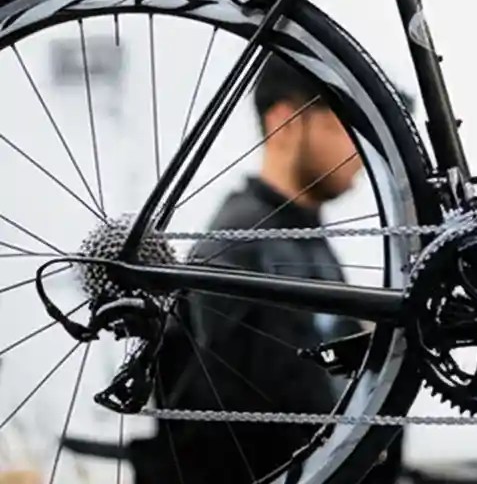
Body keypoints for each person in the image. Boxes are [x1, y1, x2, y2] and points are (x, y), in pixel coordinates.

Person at [130, 53, 404, 484]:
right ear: (285, 122)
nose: (359, 151)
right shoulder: (241, 241)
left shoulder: (305, 236)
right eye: (344, 127)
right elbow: (238, 421)